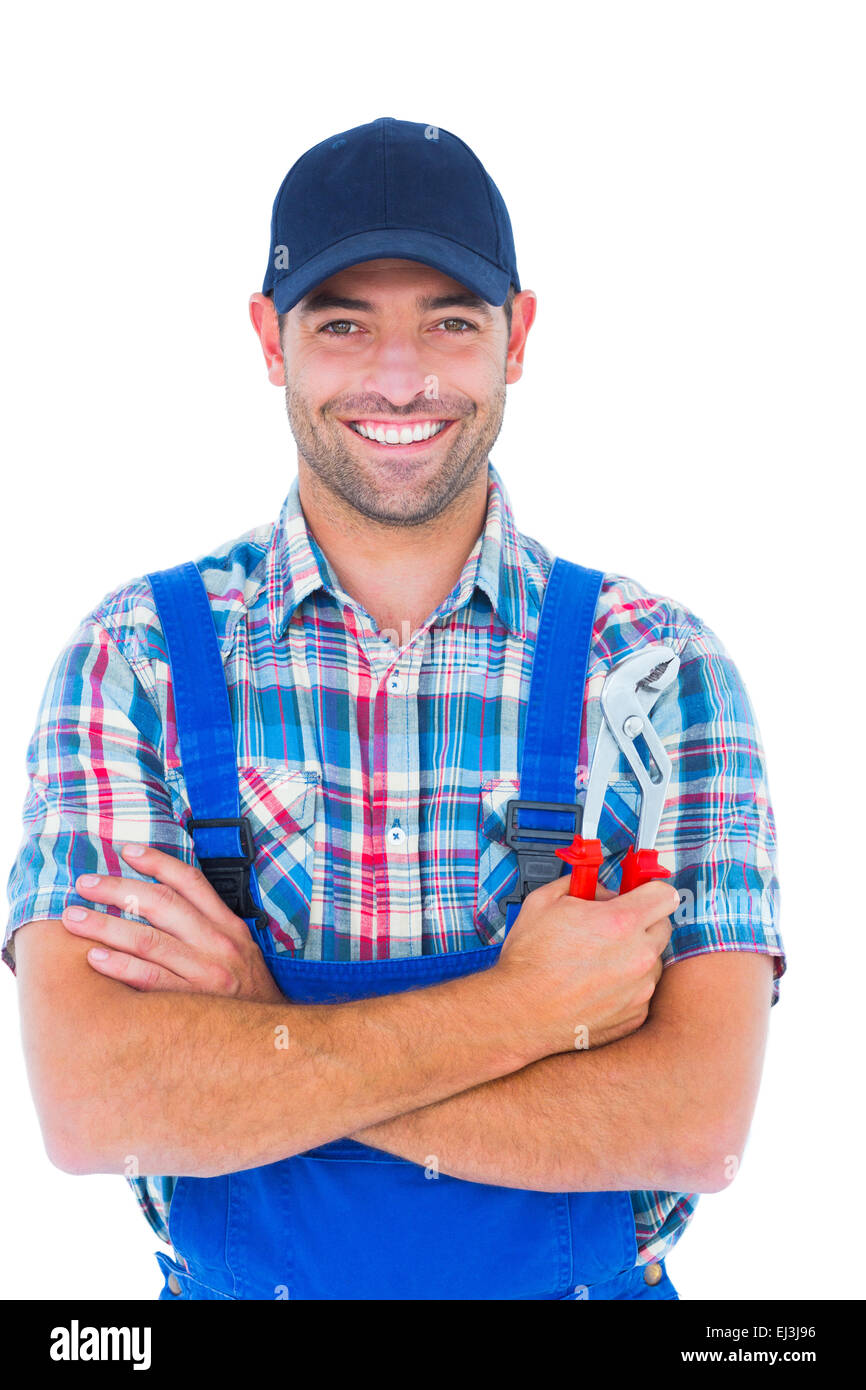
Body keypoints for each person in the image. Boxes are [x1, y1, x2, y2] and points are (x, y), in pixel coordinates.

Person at [5, 116, 785, 1301]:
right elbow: (93, 1104)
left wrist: (255, 1046)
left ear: (517, 337)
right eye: (343, 323)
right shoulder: (135, 663)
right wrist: (525, 1010)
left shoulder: (660, 671)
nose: (398, 376)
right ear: (269, 340)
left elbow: (692, 1124)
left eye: (449, 321)